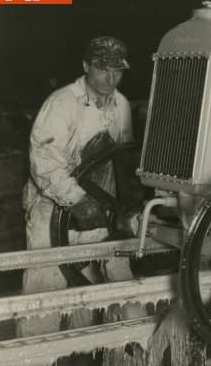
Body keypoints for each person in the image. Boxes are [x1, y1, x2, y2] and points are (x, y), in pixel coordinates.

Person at [18, 37, 147, 357]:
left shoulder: (121, 105)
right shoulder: (62, 103)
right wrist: (76, 200)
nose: (110, 79)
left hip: (100, 213)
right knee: (44, 299)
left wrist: (124, 207)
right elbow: (44, 162)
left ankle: (82, 357)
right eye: (103, 69)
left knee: (87, 301)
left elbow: (121, 161)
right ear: (86, 66)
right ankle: (30, 359)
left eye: (117, 71)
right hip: (53, 211)